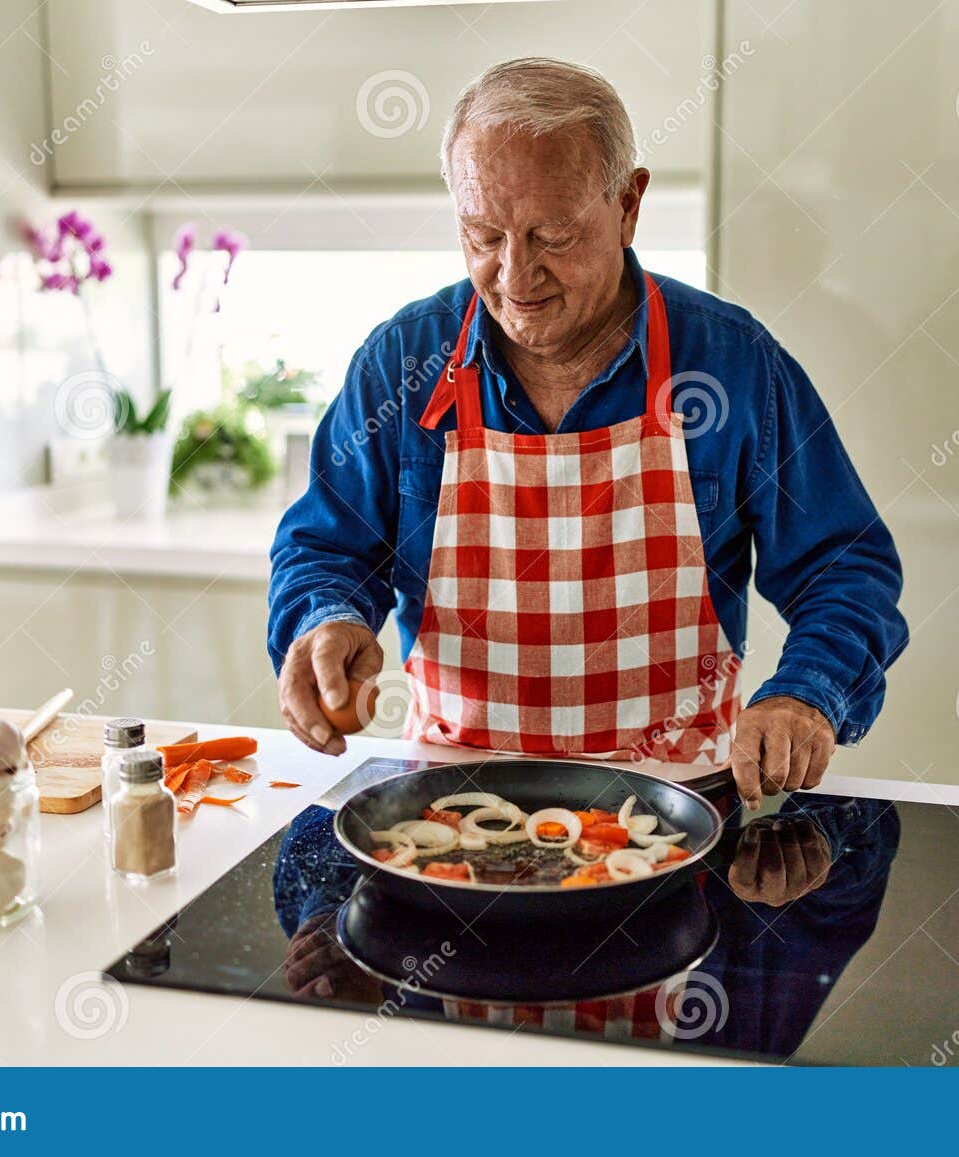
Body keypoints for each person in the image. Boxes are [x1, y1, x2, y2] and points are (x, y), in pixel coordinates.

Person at [269, 57, 906, 805]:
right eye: (482, 235)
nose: (514, 275)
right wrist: (327, 619)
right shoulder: (403, 363)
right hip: (447, 816)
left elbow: (844, 566)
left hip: (675, 814)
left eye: (553, 235)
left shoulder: (733, 367)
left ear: (629, 204)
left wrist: (805, 694)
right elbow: (325, 546)